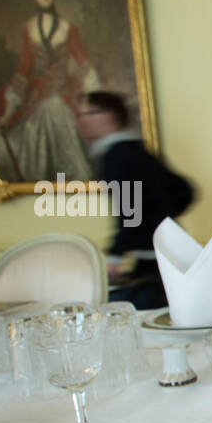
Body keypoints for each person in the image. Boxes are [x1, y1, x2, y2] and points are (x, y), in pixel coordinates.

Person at [77, 91, 195, 309]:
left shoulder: (118, 155)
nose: (82, 120)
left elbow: (130, 208)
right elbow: (184, 191)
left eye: (90, 113)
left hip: (151, 260)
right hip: (167, 251)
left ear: (109, 116)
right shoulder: (135, 150)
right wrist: (162, 217)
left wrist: (116, 254)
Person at [0, 0, 99, 183]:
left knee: (56, 108)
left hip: (64, 94)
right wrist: (10, 110)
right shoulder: (28, 29)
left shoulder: (68, 28)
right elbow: (24, 69)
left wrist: (94, 98)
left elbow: (84, 64)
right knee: (34, 121)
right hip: (36, 97)